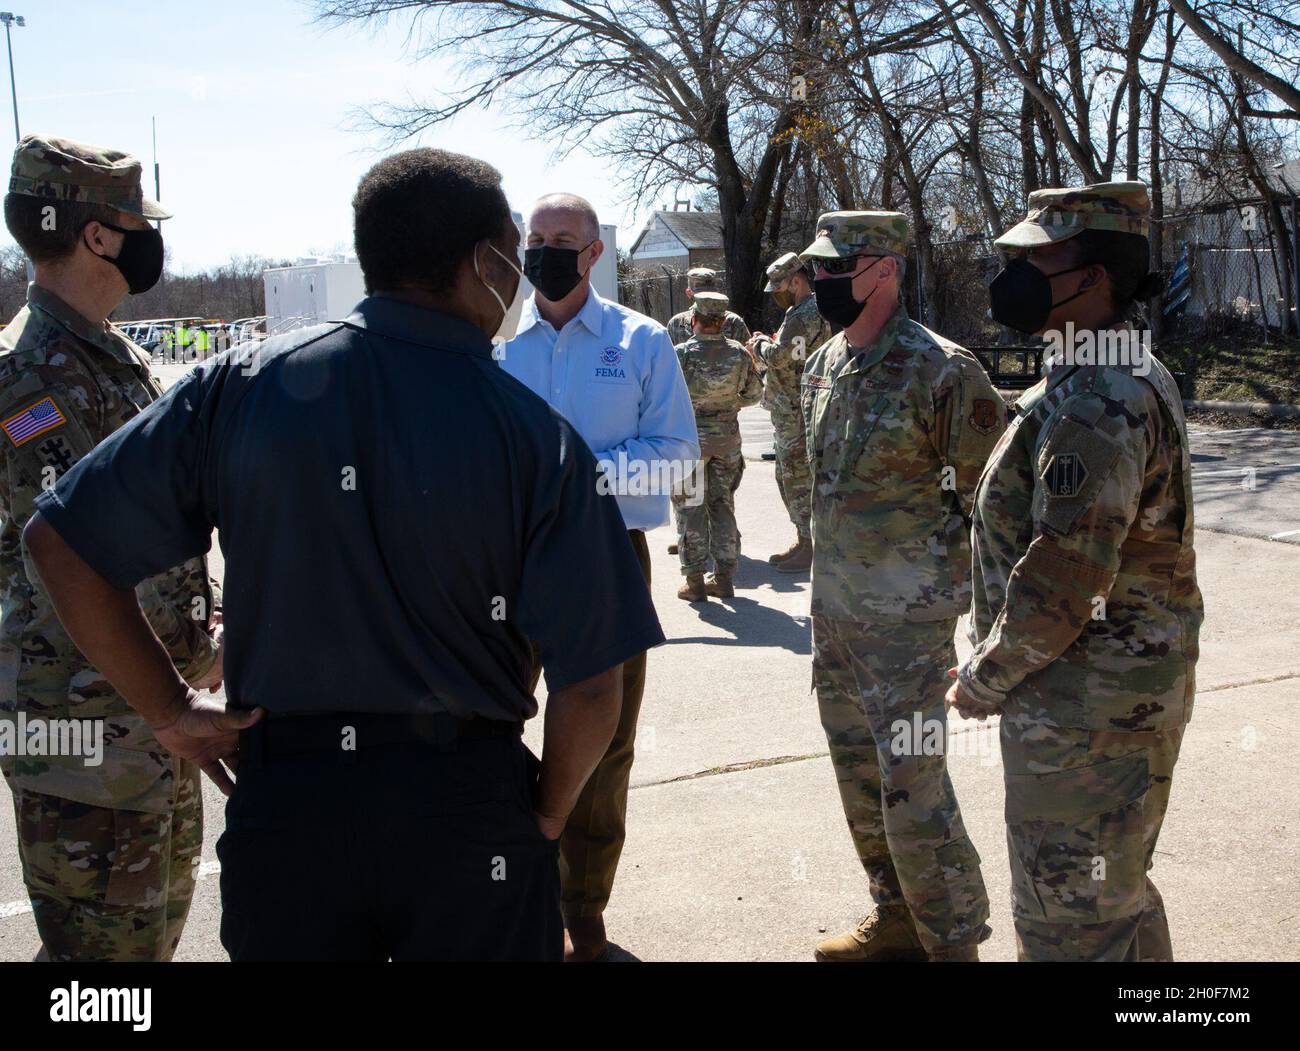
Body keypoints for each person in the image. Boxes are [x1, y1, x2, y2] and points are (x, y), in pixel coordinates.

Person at [23, 148, 665, 962]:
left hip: (293, 812)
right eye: (512, 249)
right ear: (479, 263)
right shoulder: (539, 438)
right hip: (470, 816)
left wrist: (170, 711)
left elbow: (62, 539)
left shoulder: (243, 385)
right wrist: (543, 814)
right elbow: (594, 681)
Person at [950, 181, 1203, 962]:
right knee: (1113, 897)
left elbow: (1066, 577)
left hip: (1088, 712)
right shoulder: (1091, 371)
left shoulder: (1100, 397)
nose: (1015, 274)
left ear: (1094, 277)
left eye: (1038, 258)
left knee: (1071, 919)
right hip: (1100, 701)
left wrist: (985, 677)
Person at [0, 134, 223, 961]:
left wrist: (203, 629)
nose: (149, 239)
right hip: (83, 736)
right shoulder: (26, 376)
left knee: (143, 947)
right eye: (136, 221)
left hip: (150, 716)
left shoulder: (114, 357)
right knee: (97, 966)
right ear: (96, 234)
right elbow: (75, 555)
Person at [800, 210, 1005, 962]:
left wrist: (987, 628)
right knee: (860, 781)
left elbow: (996, 509)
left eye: (837, 268)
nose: (822, 281)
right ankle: (896, 918)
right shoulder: (822, 366)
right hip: (836, 626)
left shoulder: (944, 370)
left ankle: (953, 943)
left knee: (915, 793)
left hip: (910, 633)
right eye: (817, 269)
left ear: (884, 268)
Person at [498, 191, 698, 961]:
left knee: (603, 742)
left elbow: (678, 451)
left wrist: (580, 476)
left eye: (564, 240)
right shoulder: (494, 347)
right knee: (493, 729)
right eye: (536, 238)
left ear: (594, 255)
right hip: (505, 566)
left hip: (607, 558)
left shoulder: (641, 341)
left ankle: (584, 910)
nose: (546, 251)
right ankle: (520, 900)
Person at [671, 291, 763, 602]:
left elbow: (663, 396)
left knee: (689, 508)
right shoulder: (738, 353)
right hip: (727, 441)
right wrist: (727, 405)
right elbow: (754, 395)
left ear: (693, 320)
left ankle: (695, 581)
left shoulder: (681, 353)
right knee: (722, 504)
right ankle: (723, 578)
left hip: (690, 443)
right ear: (722, 321)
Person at [746, 252, 831, 573]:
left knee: (794, 478)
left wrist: (758, 347)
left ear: (796, 281)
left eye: (780, 287)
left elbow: (783, 357)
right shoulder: (807, 310)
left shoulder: (801, 314)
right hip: (796, 405)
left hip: (795, 409)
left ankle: (809, 545)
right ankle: (803, 538)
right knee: (791, 475)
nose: (777, 295)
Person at [665, 267, 750, 348]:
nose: (705, 298)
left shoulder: (733, 321)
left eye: (709, 293)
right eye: (701, 295)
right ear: (688, 293)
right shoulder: (677, 323)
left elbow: (748, 357)